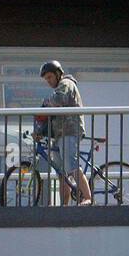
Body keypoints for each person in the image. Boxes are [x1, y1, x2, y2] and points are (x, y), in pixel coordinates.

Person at [37, 59, 92, 207]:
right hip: (59, 134)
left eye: (49, 77)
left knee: (71, 167)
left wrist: (45, 103)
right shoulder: (57, 89)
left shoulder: (66, 84)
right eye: (45, 79)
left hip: (69, 130)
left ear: (58, 74)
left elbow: (59, 100)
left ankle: (87, 197)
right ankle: (64, 205)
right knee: (62, 174)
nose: (48, 81)